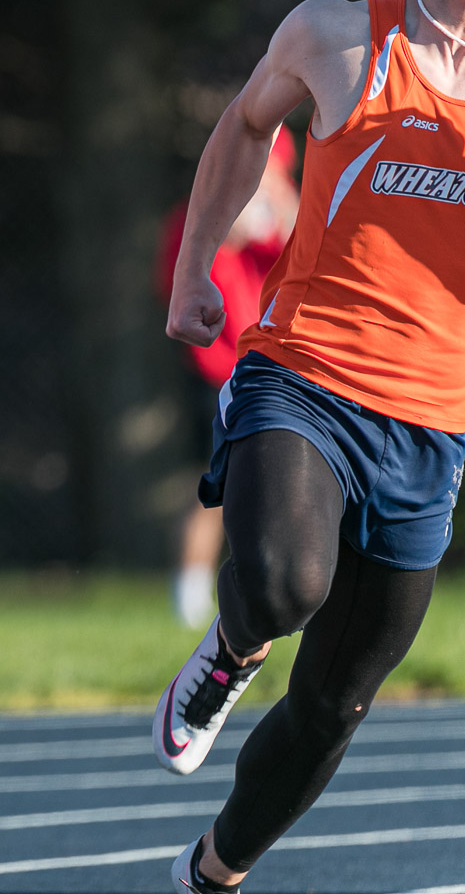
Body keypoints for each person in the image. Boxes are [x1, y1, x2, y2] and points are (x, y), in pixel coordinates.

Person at [158, 0, 465, 892]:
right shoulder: (336, 37)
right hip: (306, 379)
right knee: (285, 582)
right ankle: (230, 649)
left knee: (337, 700)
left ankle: (213, 871)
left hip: (434, 426)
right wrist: (194, 275)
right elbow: (244, 131)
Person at [157, 130, 300, 628]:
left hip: (270, 368)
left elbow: (300, 252)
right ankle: (191, 593)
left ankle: (273, 588)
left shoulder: (278, 224)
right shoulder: (198, 216)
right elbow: (176, 275)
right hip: (216, 368)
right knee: (212, 482)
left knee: (276, 483)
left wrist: (286, 209)